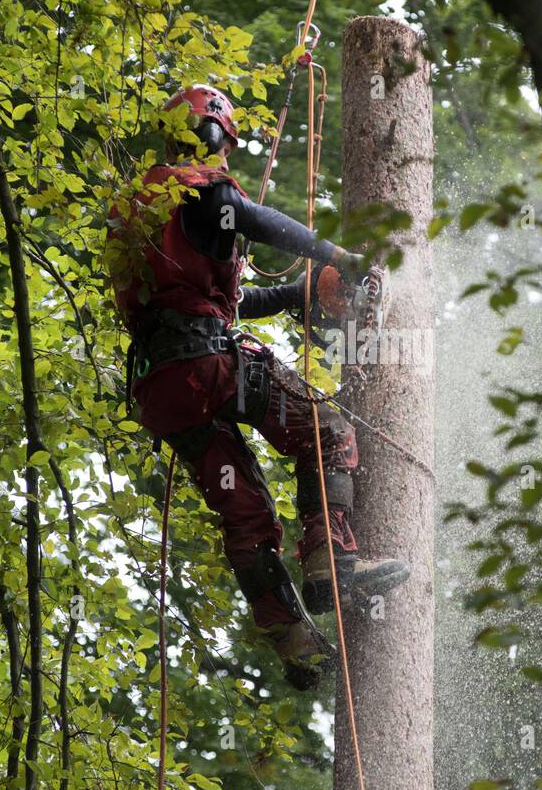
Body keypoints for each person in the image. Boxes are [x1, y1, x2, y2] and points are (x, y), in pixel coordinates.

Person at [105, 84, 409, 689]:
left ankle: (294, 641)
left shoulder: (143, 208)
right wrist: (337, 256)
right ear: (218, 136)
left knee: (244, 512)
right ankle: (333, 558)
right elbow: (252, 219)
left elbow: (218, 305)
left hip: (162, 388)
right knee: (326, 431)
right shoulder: (200, 190)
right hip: (207, 364)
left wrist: (296, 297)